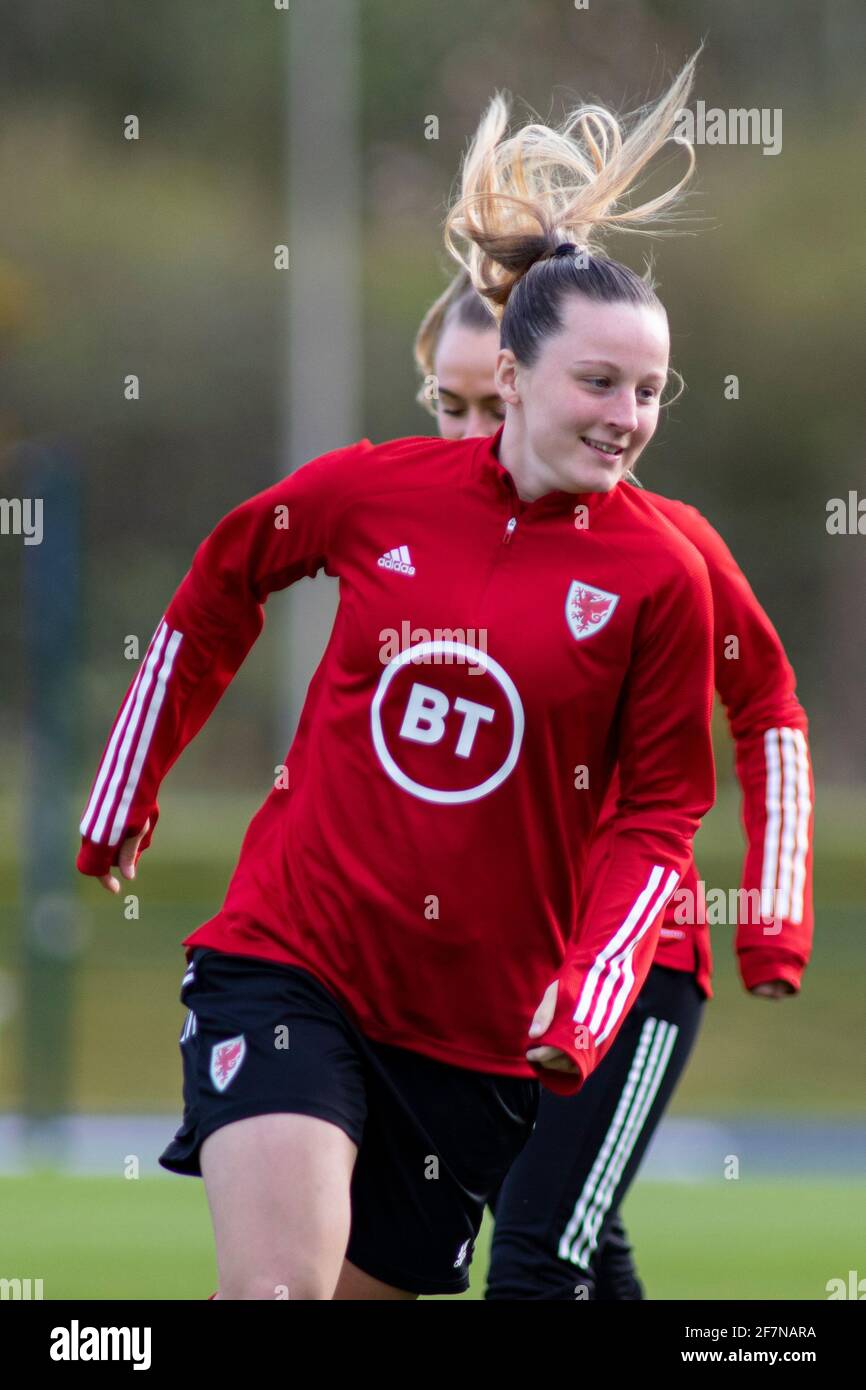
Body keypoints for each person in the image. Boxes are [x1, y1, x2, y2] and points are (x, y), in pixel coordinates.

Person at [76, 52, 716, 1300]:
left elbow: (658, 815)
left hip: (477, 1042)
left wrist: (583, 1004)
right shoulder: (371, 492)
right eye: (597, 381)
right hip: (291, 960)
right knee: (275, 1294)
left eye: (649, 389)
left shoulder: (662, 577)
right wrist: (127, 780)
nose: (626, 415)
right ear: (514, 378)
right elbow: (220, 582)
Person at [412, 268, 814, 1299]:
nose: (470, 427)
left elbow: (767, 707)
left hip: (631, 970)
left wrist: (769, 918)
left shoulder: (665, 549)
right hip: (489, 970)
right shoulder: (413, 534)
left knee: (538, 1256)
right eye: (446, 405)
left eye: (485, 404)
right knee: (576, 1240)